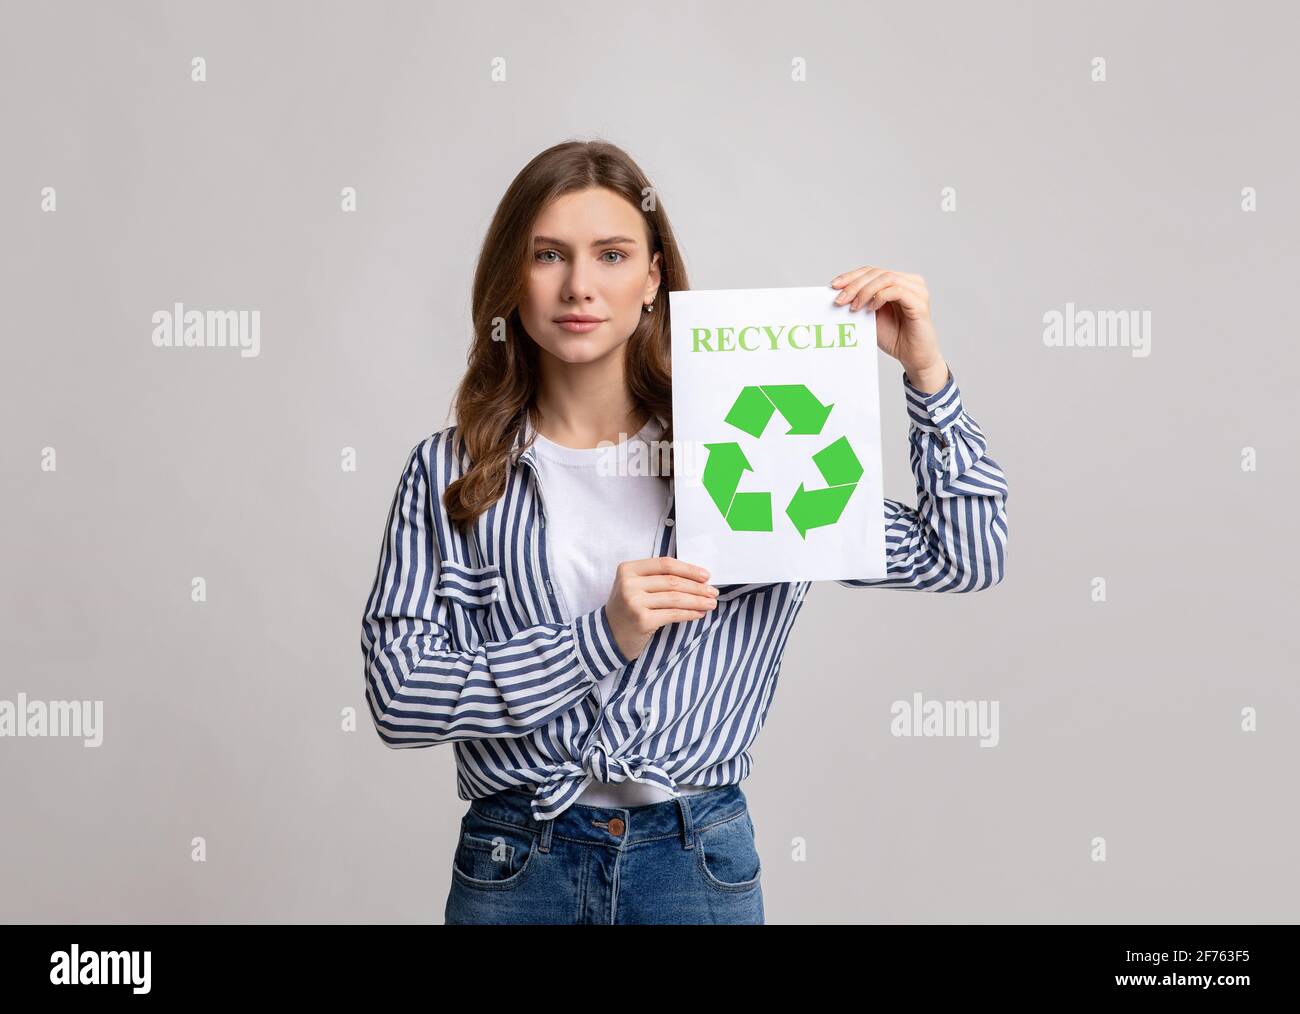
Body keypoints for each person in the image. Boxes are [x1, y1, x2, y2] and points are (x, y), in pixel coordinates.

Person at [360, 139, 1009, 925]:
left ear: (653, 276)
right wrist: (598, 637)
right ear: (512, 278)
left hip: (693, 862)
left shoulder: (741, 447)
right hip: (514, 864)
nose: (579, 286)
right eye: (548, 255)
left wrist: (926, 375)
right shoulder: (454, 471)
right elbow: (399, 699)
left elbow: (965, 554)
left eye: (611, 254)